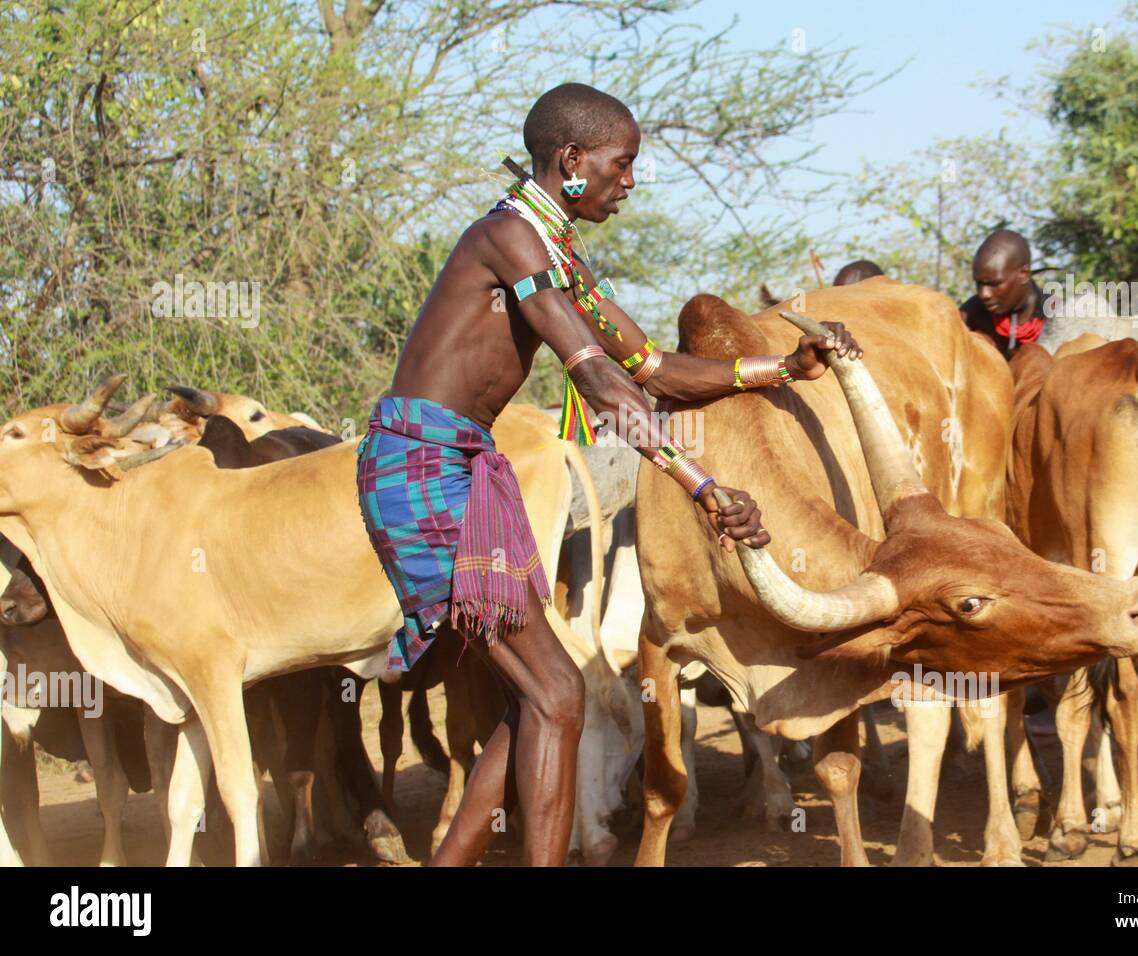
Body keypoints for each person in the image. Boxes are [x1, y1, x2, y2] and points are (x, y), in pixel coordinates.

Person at [354, 82, 863, 867]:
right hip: (420, 467)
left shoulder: (558, 257)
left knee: (534, 702)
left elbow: (652, 369)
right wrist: (705, 489)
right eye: (623, 164)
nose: (631, 181)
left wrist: (783, 368)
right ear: (572, 161)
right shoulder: (510, 237)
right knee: (558, 694)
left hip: (459, 468)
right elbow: (596, 377)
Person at [958, 229, 1048, 360]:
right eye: (979, 284)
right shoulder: (971, 313)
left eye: (994, 284)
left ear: (1023, 275)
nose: (984, 294)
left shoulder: (1058, 317)